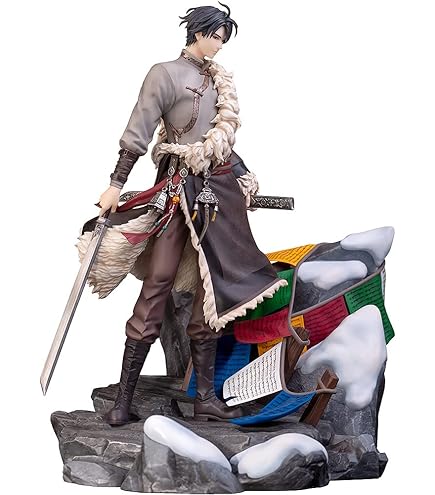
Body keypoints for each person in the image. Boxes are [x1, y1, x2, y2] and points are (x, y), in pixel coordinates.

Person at [86, 3, 288, 426]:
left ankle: (205, 399)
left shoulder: (220, 80)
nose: (220, 44)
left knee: (213, 291)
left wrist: (244, 175)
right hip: (178, 194)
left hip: (220, 198)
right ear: (198, 32)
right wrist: (116, 184)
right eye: (216, 36)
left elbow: (220, 144)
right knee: (157, 284)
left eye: (224, 38)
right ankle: (123, 401)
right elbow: (138, 130)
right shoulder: (164, 74)